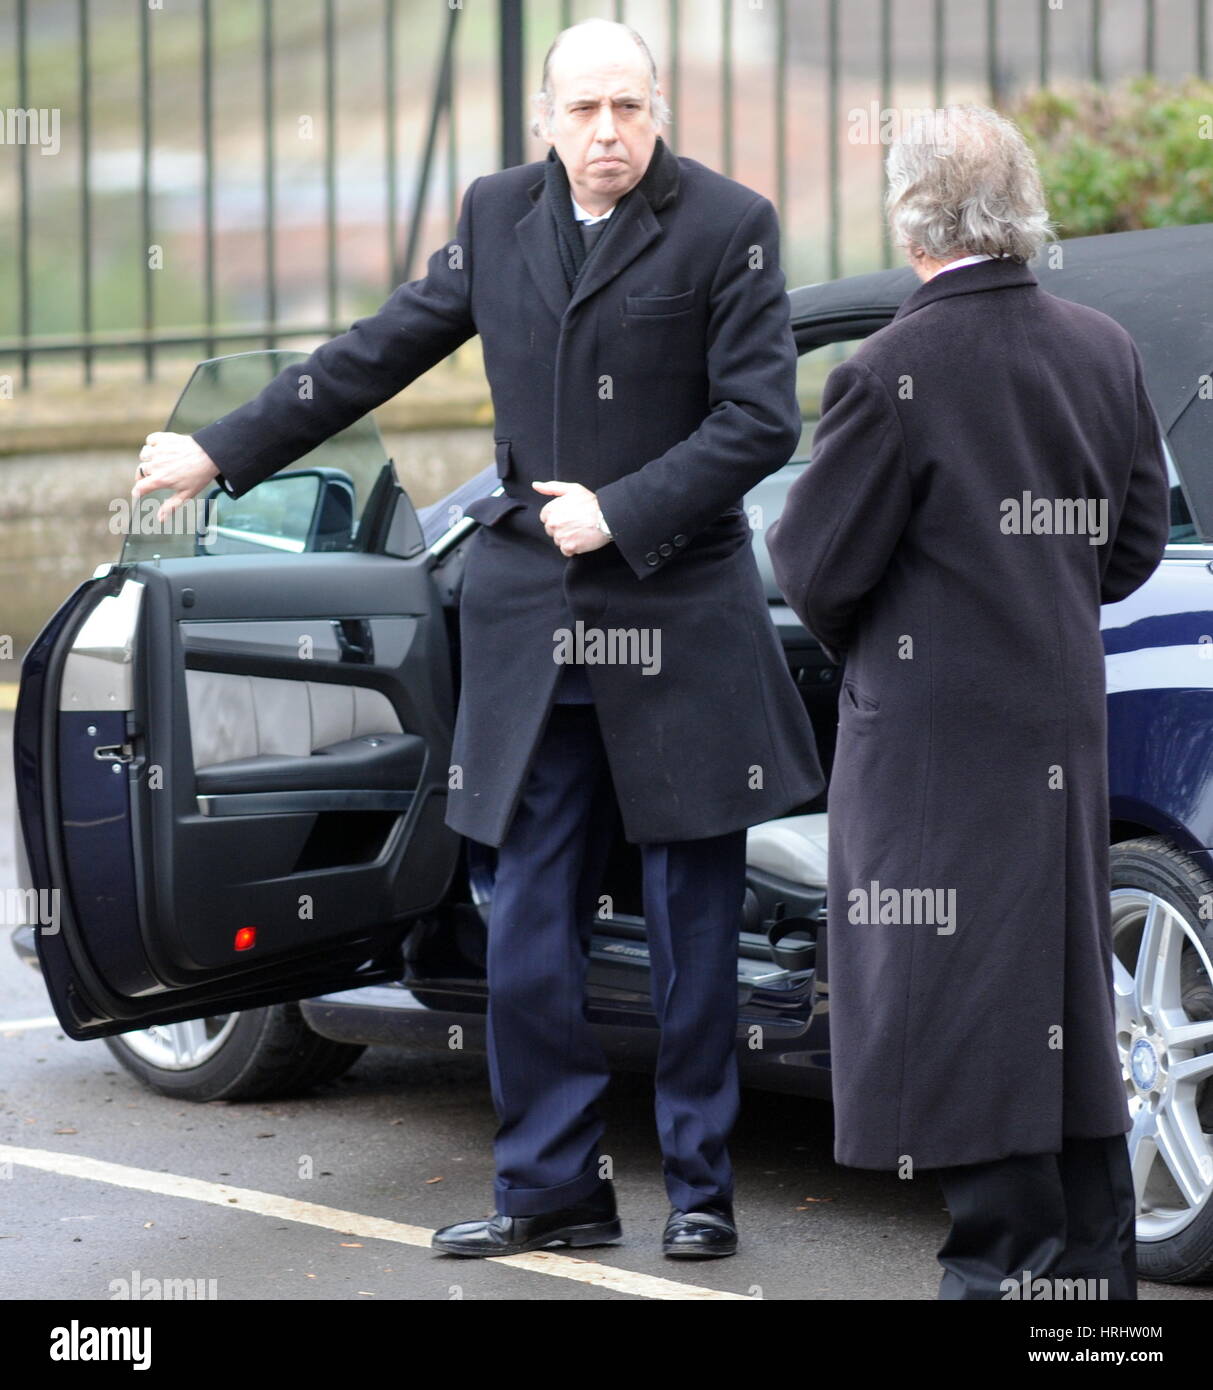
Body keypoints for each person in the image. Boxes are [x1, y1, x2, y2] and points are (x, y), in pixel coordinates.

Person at [131, 18, 823, 1260]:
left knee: (691, 923)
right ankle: (551, 1186)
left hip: (677, 621)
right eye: (584, 112)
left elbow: (760, 419)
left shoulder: (733, 224)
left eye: (629, 109)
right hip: (531, 632)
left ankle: (702, 1191)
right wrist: (222, 449)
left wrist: (619, 509)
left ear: (656, 111)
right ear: (544, 120)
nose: (607, 133)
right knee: (527, 920)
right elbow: (379, 349)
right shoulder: (498, 213)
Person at [765, 104, 1170, 1299]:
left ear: (909, 217)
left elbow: (811, 566)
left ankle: (1004, 1274)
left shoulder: (887, 368)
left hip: (931, 744)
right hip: (1058, 722)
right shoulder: (1104, 347)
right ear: (1024, 209)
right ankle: (1091, 1276)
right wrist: (1037, 600)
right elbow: (1133, 540)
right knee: (1059, 998)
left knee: (956, 1007)